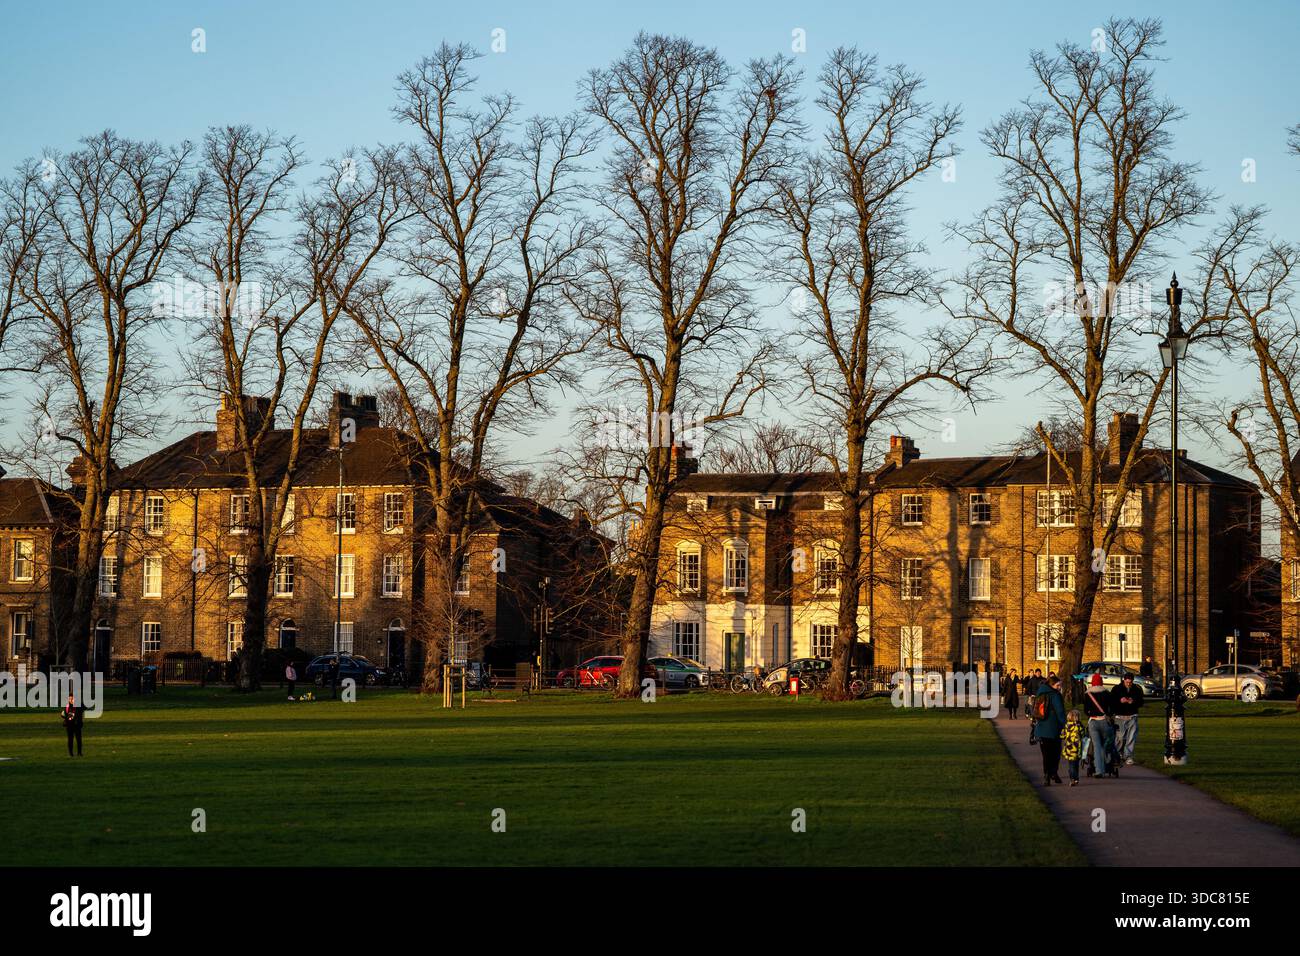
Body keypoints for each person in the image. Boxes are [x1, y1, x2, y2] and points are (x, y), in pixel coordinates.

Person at [1033, 675, 1067, 785]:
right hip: (1053, 728)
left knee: (1046, 754)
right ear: (1052, 685)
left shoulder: (1040, 692)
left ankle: (1046, 775)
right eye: (1058, 685)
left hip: (1041, 728)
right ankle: (1053, 773)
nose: (1059, 687)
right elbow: (1060, 712)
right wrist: (1065, 724)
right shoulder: (1055, 695)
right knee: (1055, 753)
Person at [1083, 673, 1116, 778]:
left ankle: (1099, 771)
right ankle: (1108, 761)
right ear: (1101, 682)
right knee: (1106, 744)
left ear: (1092, 683)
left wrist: (1091, 713)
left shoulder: (1088, 695)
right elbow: (1112, 709)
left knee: (1097, 746)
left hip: (1093, 722)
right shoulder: (1107, 694)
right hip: (1105, 722)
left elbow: (1086, 711)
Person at [1110, 672, 1144, 765]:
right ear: (1124, 680)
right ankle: (1117, 754)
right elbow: (1111, 702)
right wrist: (1120, 701)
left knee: (1131, 737)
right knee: (1120, 737)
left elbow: (1141, 702)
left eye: (1130, 682)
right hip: (1120, 716)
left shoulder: (1137, 689)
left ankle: (1128, 755)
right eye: (1127, 682)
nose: (1128, 684)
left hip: (1132, 716)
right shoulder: (1116, 689)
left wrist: (1133, 701)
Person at [1061, 709, 1085, 786]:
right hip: (1077, 748)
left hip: (1069, 748)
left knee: (1071, 764)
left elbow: (1062, 735)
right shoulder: (1079, 726)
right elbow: (1083, 734)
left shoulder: (1066, 726)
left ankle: (1072, 779)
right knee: (1076, 764)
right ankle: (1076, 778)